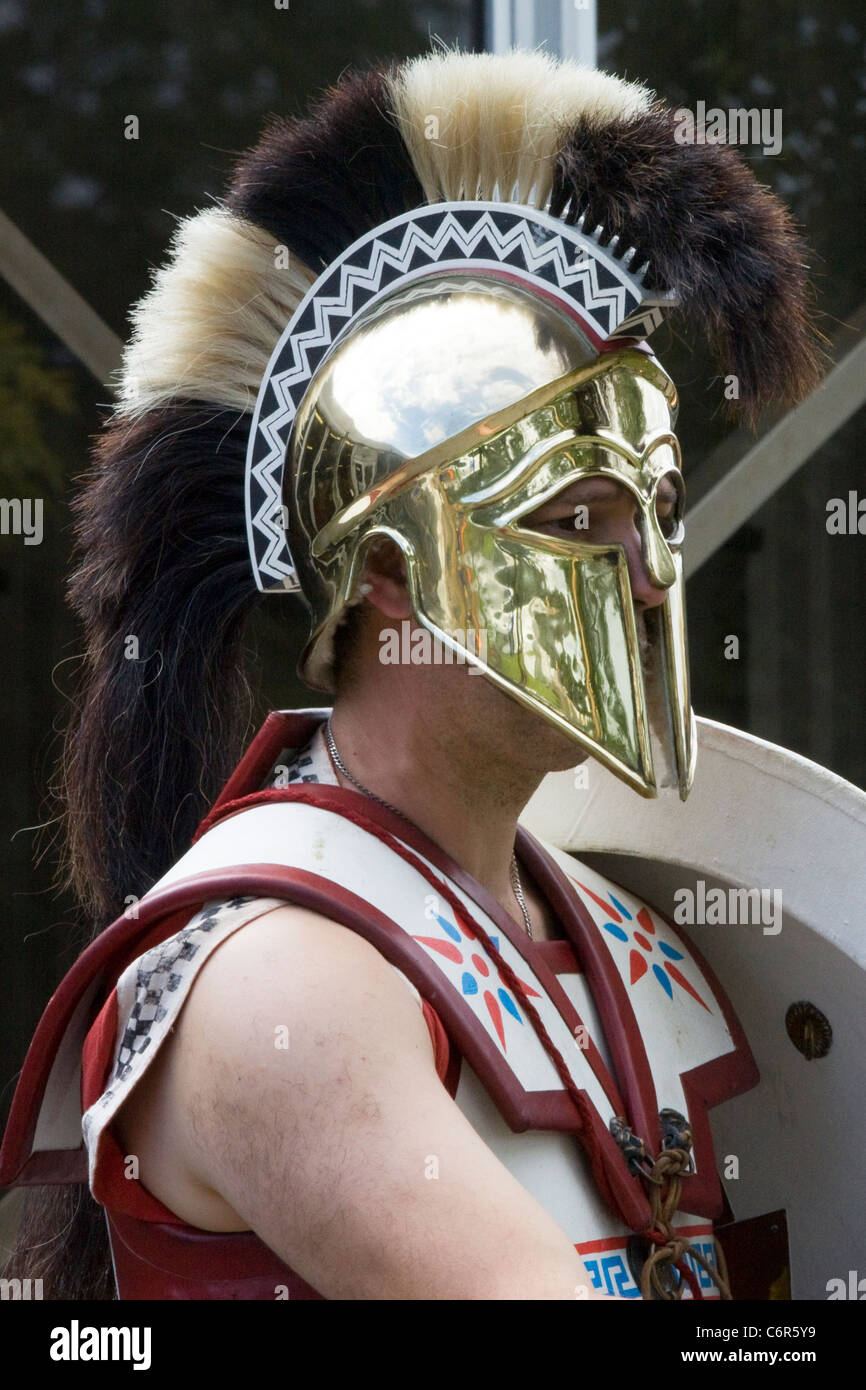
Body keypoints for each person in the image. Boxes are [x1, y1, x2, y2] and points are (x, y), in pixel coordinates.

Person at [0, 48, 822, 1301]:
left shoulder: (635, 940)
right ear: (388, 574)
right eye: (574, 518)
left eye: (654, 513)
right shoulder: (283, 975)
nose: (649, 576)